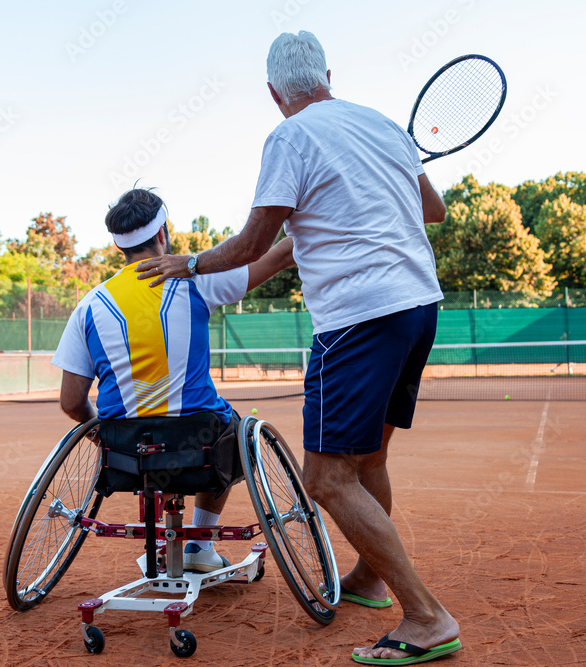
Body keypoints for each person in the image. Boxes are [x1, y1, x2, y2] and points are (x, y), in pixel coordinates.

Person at [136, 31, 460, 664]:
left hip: (358, 321)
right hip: (419, 307)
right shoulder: (384, 126)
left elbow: (250, 244)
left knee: (326, 480)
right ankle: (368, 579)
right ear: (328, 74)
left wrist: (187, 263)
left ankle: (426, 617)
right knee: (368, 460)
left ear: (272, 92)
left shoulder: (289, 136)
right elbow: (433, 211)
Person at [53, 187, 294, 574]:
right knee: (231, 429)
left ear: (119, 246)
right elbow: (281, 255)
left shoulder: (90, 305)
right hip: (200, 446)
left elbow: (71, 402)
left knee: (152, 439)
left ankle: (169, 537)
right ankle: (198, 542)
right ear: (163, 233)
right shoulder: (196, 279)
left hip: (125, 454)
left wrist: (105, 434)